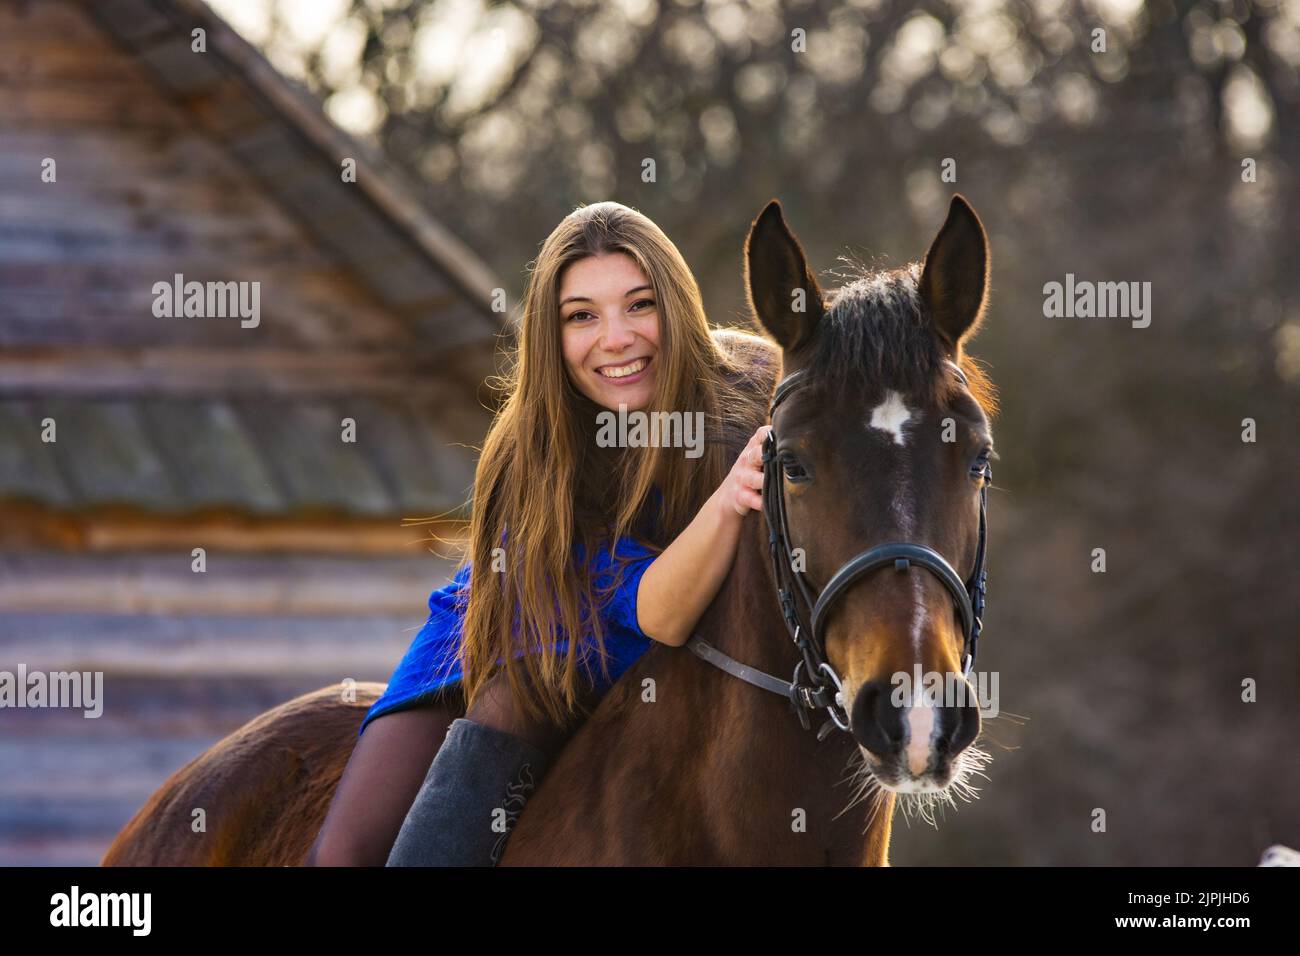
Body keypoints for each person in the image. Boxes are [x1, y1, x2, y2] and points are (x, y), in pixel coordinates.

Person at [306, 201, 778, 866]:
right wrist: (729, 504)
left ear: (677, 307)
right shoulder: (537, 452)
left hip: (667, 643)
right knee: (344, 856)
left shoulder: (757, 386)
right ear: (551, 335)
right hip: (526, 625)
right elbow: (654, 614)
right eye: (581, 316)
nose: (615, 338)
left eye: (639, 305)